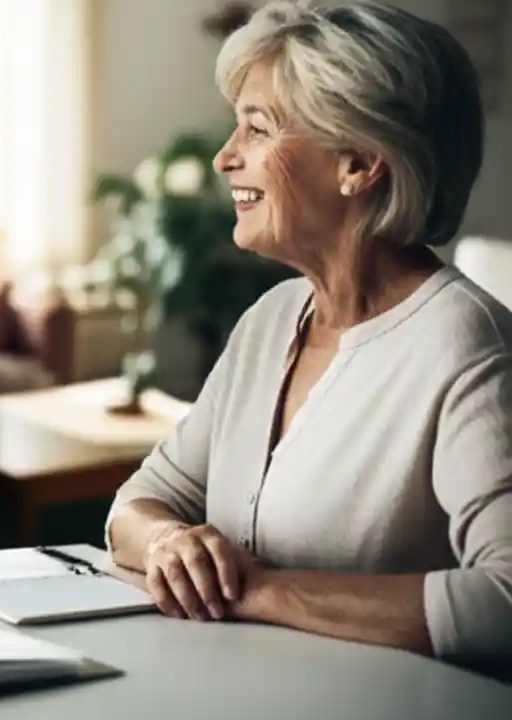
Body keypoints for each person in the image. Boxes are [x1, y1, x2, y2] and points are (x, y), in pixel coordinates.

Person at [106, 0, 511, 664]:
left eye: (257, 129)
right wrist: (166, 542)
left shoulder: (467, 344)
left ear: (359, 162)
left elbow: (504, 602)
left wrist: (261, 589)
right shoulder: (270, 319)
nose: (225, 157)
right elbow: (140, 502)